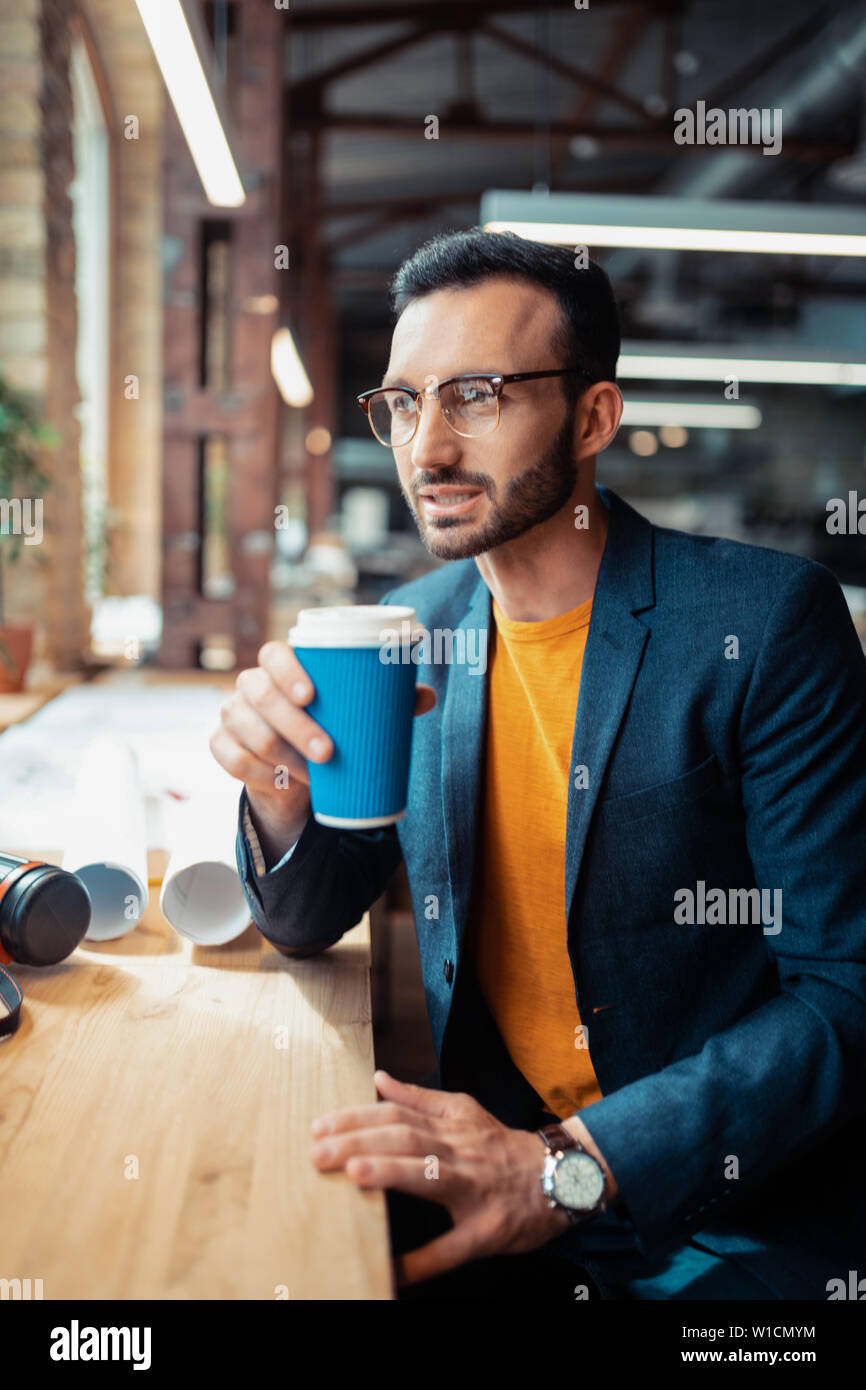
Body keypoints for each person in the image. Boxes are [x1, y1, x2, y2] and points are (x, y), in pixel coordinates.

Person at [211, 228, 866, 1301]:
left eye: (474, 395)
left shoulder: (760, 622)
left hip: (731, 1205)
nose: (424, 449)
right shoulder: (406, 630)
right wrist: (277, 793)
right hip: (500, 1167)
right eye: (402, 403)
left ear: (593, 416)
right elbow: (305, 914)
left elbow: (843, 991)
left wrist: (575, 1164)